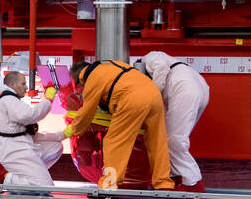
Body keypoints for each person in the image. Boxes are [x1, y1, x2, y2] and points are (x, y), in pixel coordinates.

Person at [64, 60, 174, 191]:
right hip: (154, 94)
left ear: (79, 79)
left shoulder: (91, 78)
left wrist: (73, 129)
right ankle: (163, 183)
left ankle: (109, 185)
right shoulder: (111, 66)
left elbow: (86, 113)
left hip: (132, 99)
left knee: (113, 142)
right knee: (157, 140)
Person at [137, 52, 210, 192]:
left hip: (185, 87)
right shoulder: (169, 65)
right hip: (198, 85)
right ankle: (177, 178)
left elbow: (161, 68)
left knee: (173, 140)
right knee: (174, 137)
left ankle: (192, 183)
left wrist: (152, 95)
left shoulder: (149, 57)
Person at [0, 70, 63, 186]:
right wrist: (48, 100)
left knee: (56, 147)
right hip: (15, 152)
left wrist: (62, 135)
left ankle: (32, 174)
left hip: (22, 146)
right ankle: (9, 178)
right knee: (45, 186)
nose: (26, 88)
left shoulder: (13, 101)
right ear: (12, 85)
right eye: (23, 84)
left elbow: (32, 135)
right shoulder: (8, 100)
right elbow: (30, 115)